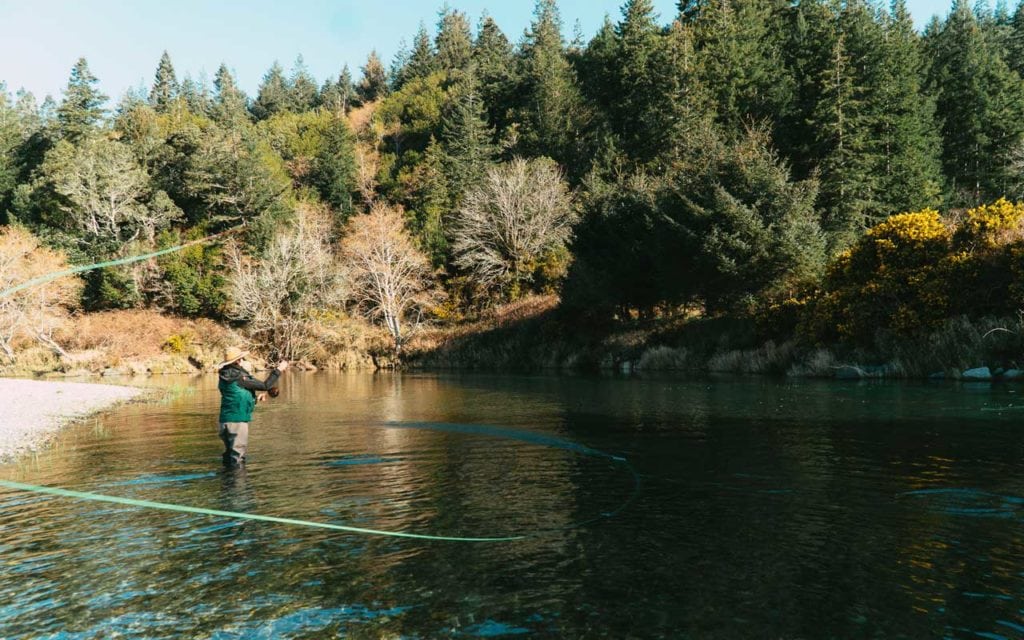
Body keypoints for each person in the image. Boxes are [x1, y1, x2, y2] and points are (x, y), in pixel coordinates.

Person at [217, 346, 288, 466]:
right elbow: (265, 385)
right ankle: (238, 483)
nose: (244, 361)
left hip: (224, 422)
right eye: (242, 358)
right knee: (238, 460)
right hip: (237, 422)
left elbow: (234, 397)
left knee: (229, 457)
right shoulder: (239, 376)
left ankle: (226, 483)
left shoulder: (224, 376)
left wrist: (254, 399)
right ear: (237, 361)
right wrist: (279, 369)